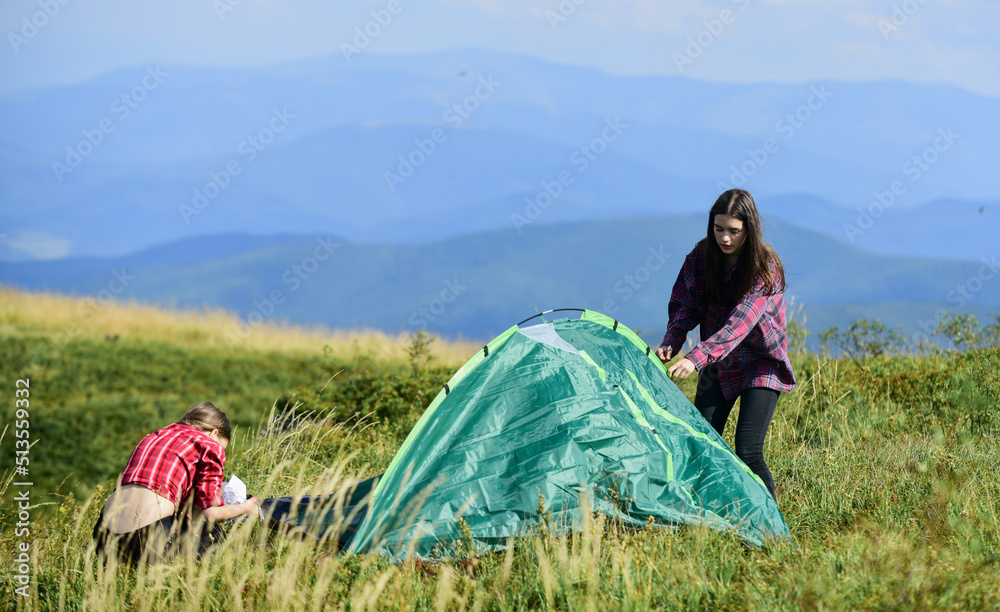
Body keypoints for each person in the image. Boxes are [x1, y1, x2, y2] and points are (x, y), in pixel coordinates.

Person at [655, 189, 796, 501]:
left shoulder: (765, 267)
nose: (725, 238)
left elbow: (738, 325)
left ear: (749, 228)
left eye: (734, 231)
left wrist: (695, 357)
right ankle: (700, 514)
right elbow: (686, 304)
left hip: (760, 363)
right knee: (700, 442)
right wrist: (672, 340)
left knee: (748, 450)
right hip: (719, 364)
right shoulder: (700, 257)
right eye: (719, 229)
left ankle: (769, 524)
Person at [92, 401, 259, 565]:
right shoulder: (209, 445)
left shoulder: (153, 436)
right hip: (146, 537)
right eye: (222, 447)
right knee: (212, 535)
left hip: (104, 538)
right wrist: (246, 507)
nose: (220, 451)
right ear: (214, 433)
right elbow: (210, 514)